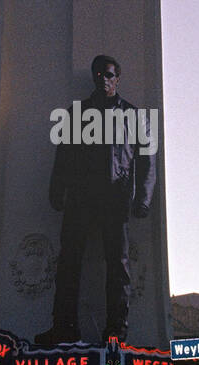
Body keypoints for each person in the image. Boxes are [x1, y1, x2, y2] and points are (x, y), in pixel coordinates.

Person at [36, 55, 156, 345]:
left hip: (116, 198)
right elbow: (63, 155)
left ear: (118, 78)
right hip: (80, 197)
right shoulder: (76, 114)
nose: (104, 79)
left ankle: (117, 331)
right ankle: (64, 327)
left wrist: (144, 198)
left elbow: (148, 160)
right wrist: (56, 190)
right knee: (68, 262)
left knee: (118, 266)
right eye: (99, 74)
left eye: (109, 74)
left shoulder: (134, 115)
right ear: (94, 78)